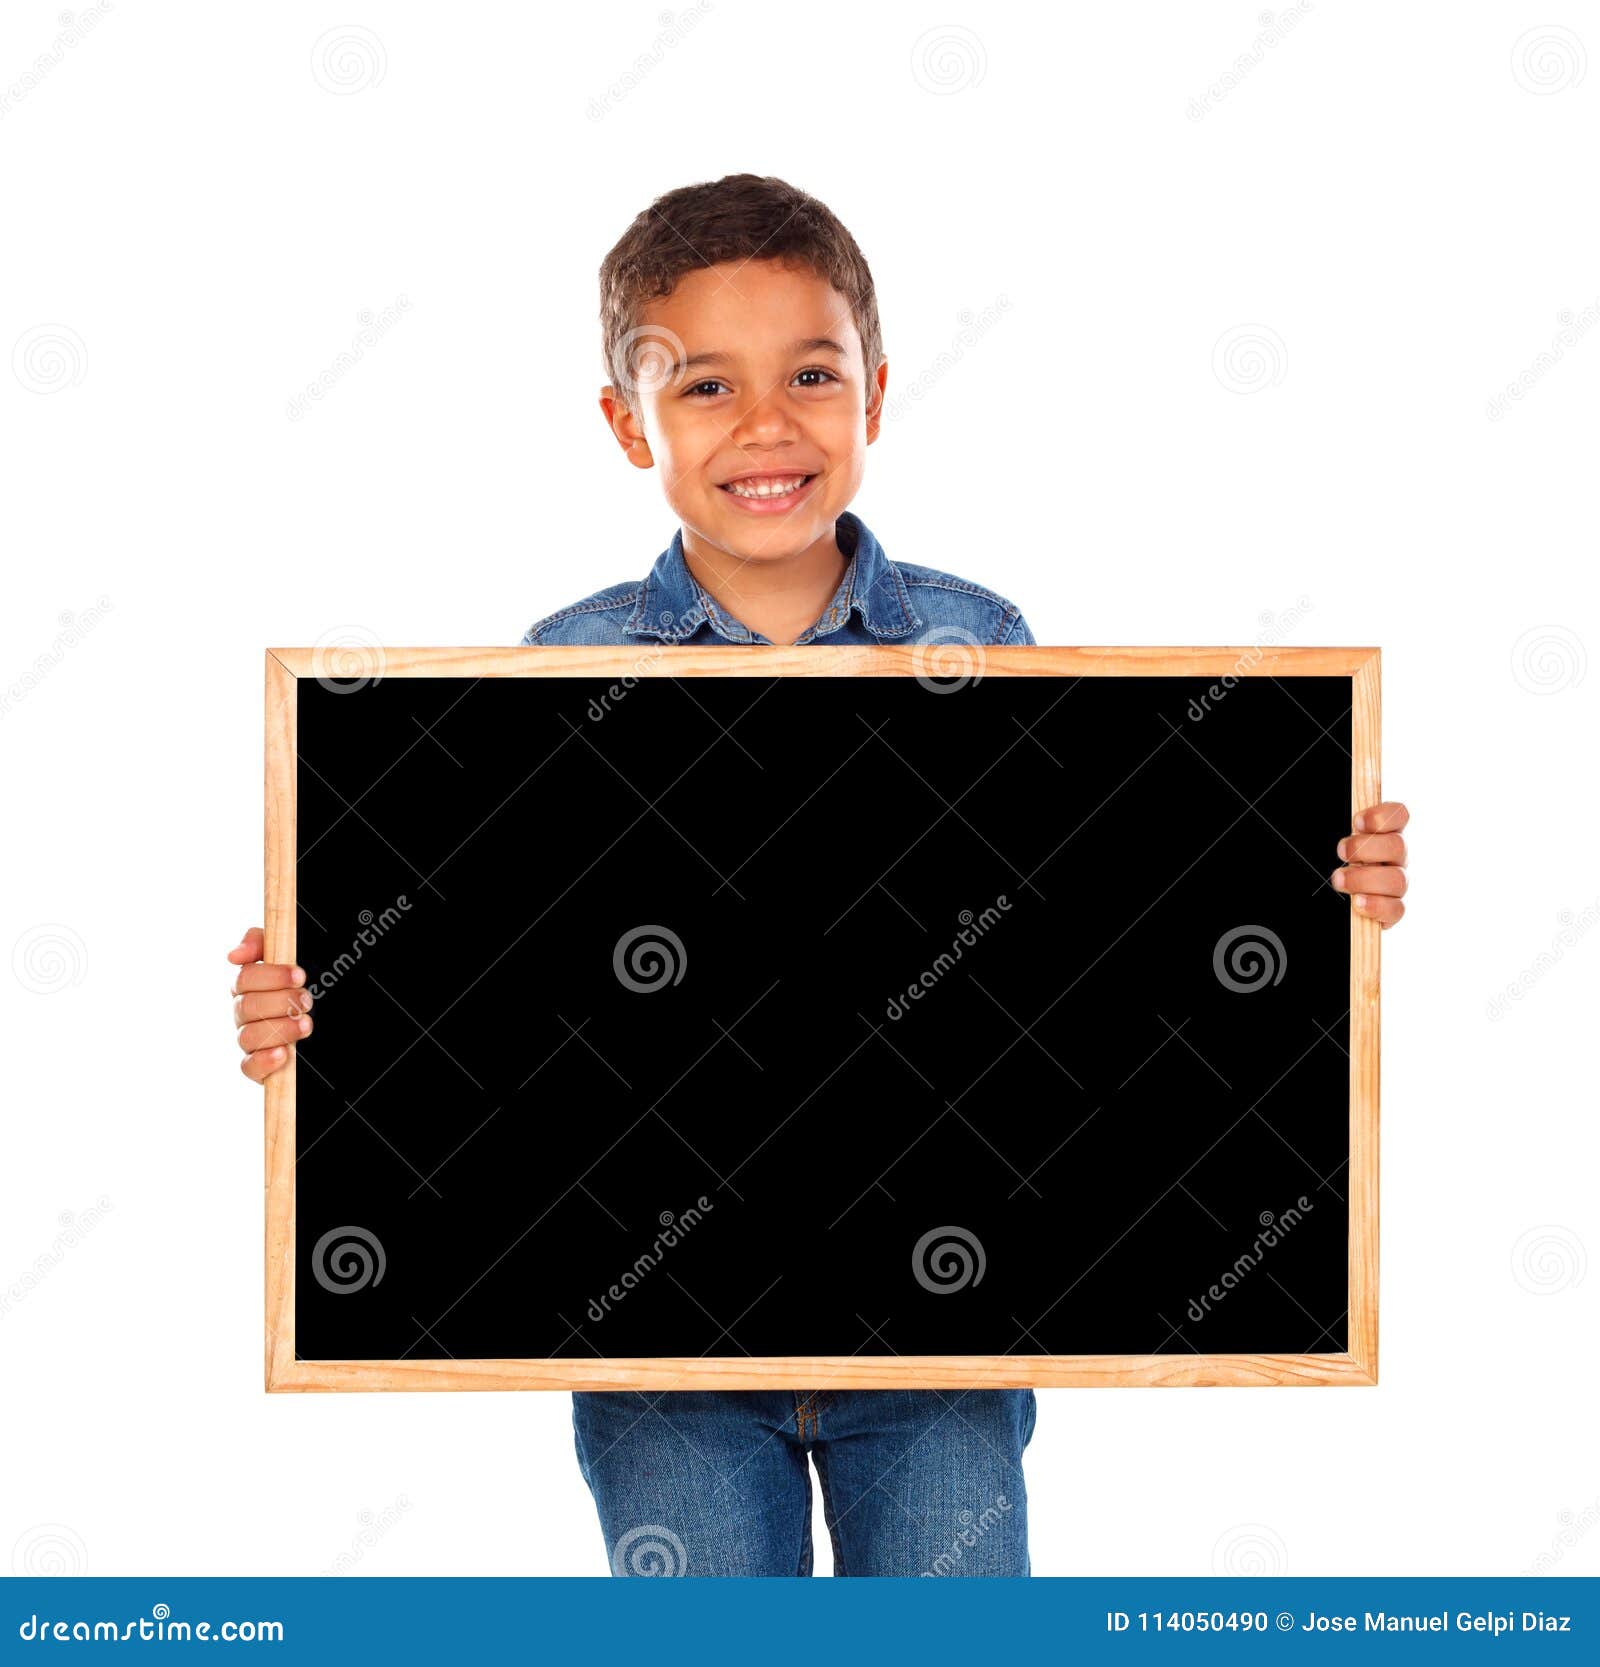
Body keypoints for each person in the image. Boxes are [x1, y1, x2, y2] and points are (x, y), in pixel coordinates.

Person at [229, 174, 1411, 1577]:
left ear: (877, 391)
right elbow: (495, 996)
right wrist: (316, 1028)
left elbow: (1091, 935)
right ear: (627, 423)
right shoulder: (560, 670)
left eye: (810, 373)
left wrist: (1312, 889)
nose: (768, 425)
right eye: (705, 386)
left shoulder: (982, 640)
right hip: (656, 1334)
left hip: (941, 1321)